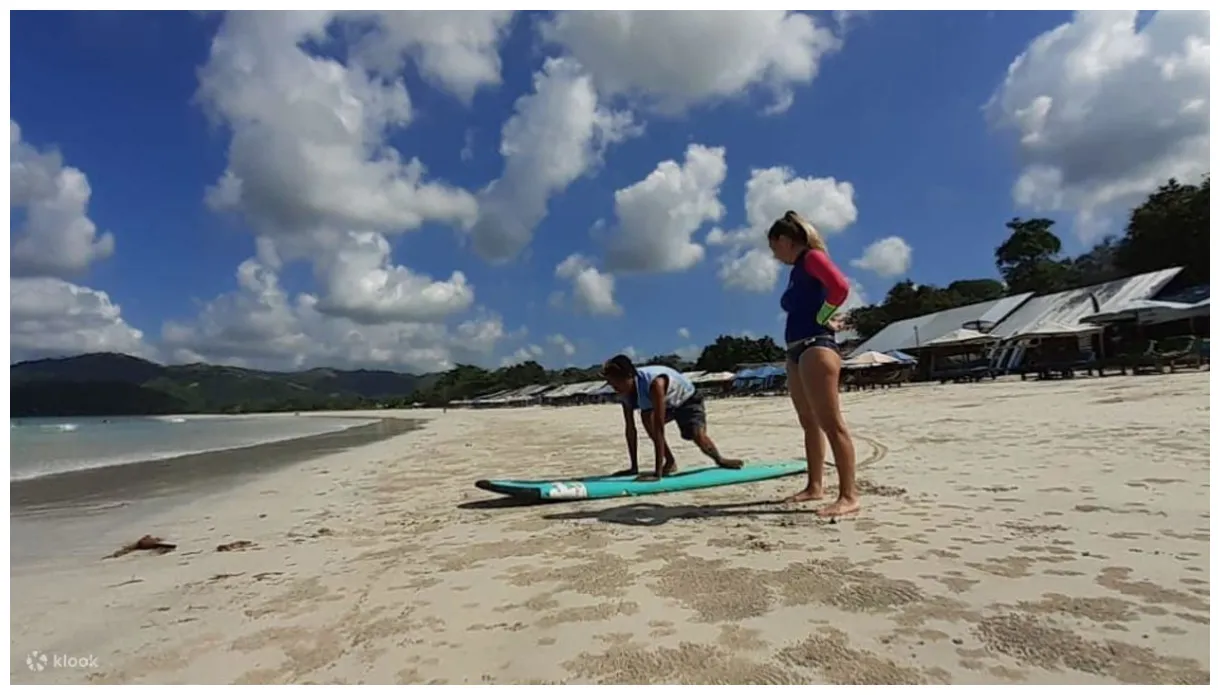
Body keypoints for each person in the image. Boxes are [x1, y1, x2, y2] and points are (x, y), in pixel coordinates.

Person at [767, 210, 860, 517]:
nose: (774, 255)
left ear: (784, 240)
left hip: (816, 347)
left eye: (773, 247)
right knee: (809, 422)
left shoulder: (812, 258)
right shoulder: (797, 271)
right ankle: (815, 486)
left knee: (832, 423)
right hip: (795, 350)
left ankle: (849, 495)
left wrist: (823, 319)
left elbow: (840, 287)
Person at [601, 354, 744, 480]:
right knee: (646, 418)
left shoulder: (655, 384)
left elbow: (659, 427)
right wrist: (633, 468)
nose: (615, 388)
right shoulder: (625, 394)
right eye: (612, 385)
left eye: (616, 383)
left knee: (696, 434)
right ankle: (669, 462)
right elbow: (630, 429)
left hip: (687, 400)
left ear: (629, 377)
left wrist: (657, 474)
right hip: (669, 404)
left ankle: (719, 460)